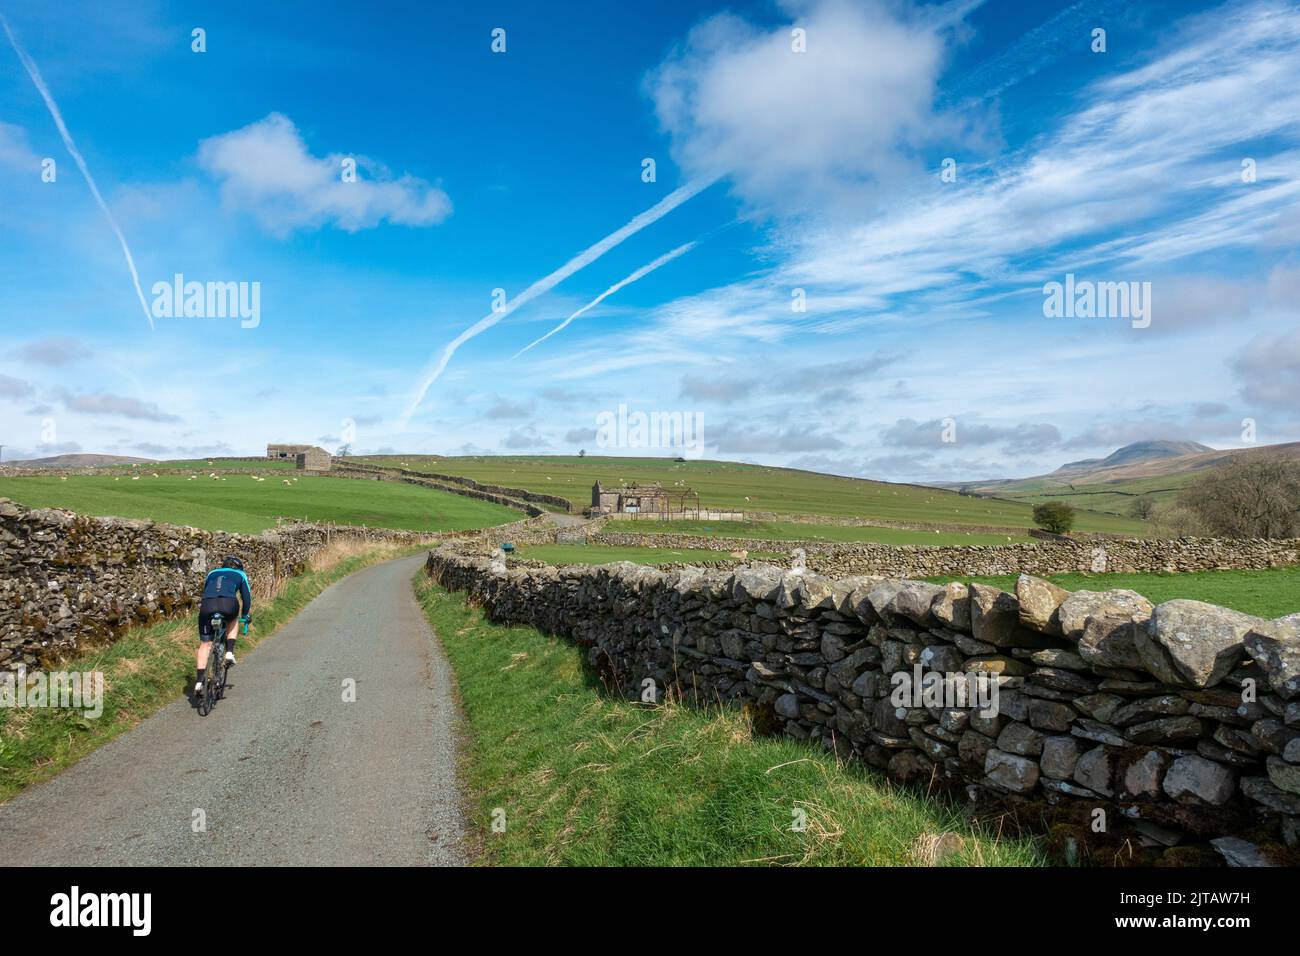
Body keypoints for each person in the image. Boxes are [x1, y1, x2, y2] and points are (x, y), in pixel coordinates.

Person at [195, 555, 251, 697]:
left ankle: (199, 682)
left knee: (205, 643)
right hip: (228, 604)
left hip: (207, 606)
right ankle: (229, 653)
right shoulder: (240, 574)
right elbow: (246, 598)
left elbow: (206, 591)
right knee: (233, 620)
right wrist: (245, 615)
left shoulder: (212, 573)